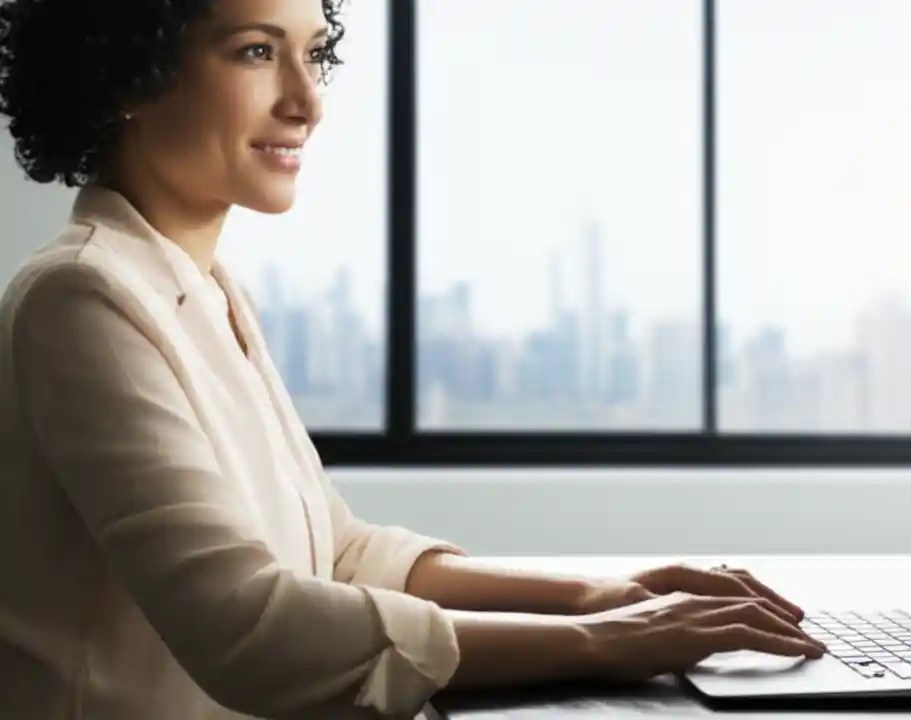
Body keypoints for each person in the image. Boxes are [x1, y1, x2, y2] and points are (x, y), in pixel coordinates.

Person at [0, 1, 826, 717]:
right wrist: (600, 641)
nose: (307, 100)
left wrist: (601, 593)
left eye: (312, 52)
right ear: (127, 74)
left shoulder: (205, 290)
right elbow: (246, 628)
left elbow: (340, 554)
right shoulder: (83, 299)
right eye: (257, 51)